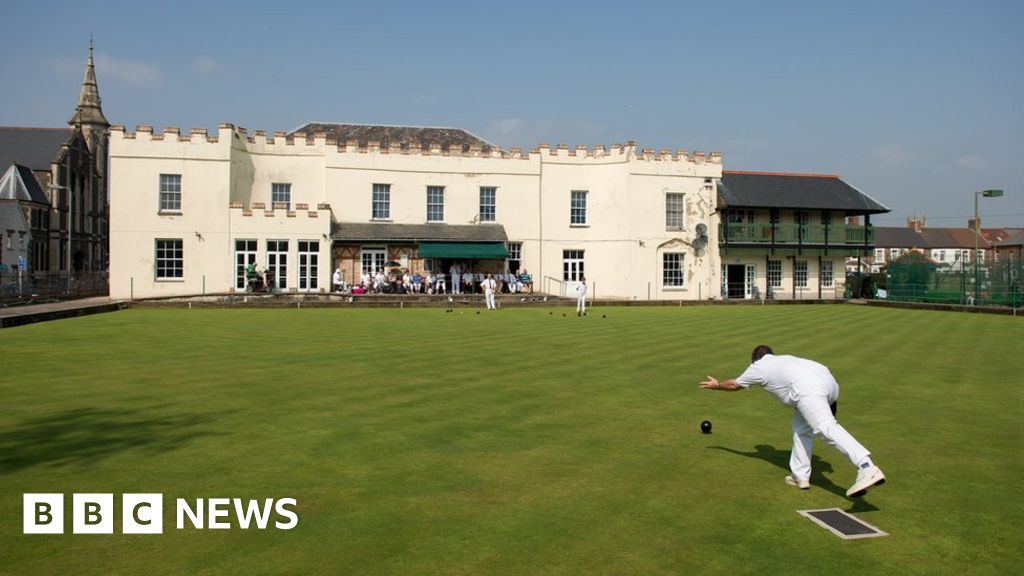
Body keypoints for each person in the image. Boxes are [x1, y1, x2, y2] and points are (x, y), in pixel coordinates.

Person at [699, 345, 886, 498]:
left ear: (754, 360)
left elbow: (734, 384)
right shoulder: (785, 359)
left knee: (826, 428)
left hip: (807, 388)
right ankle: (800, 476)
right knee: (801, 427)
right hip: (829, 381)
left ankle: (866, 466)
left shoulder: (759, 366)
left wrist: (717, 386)